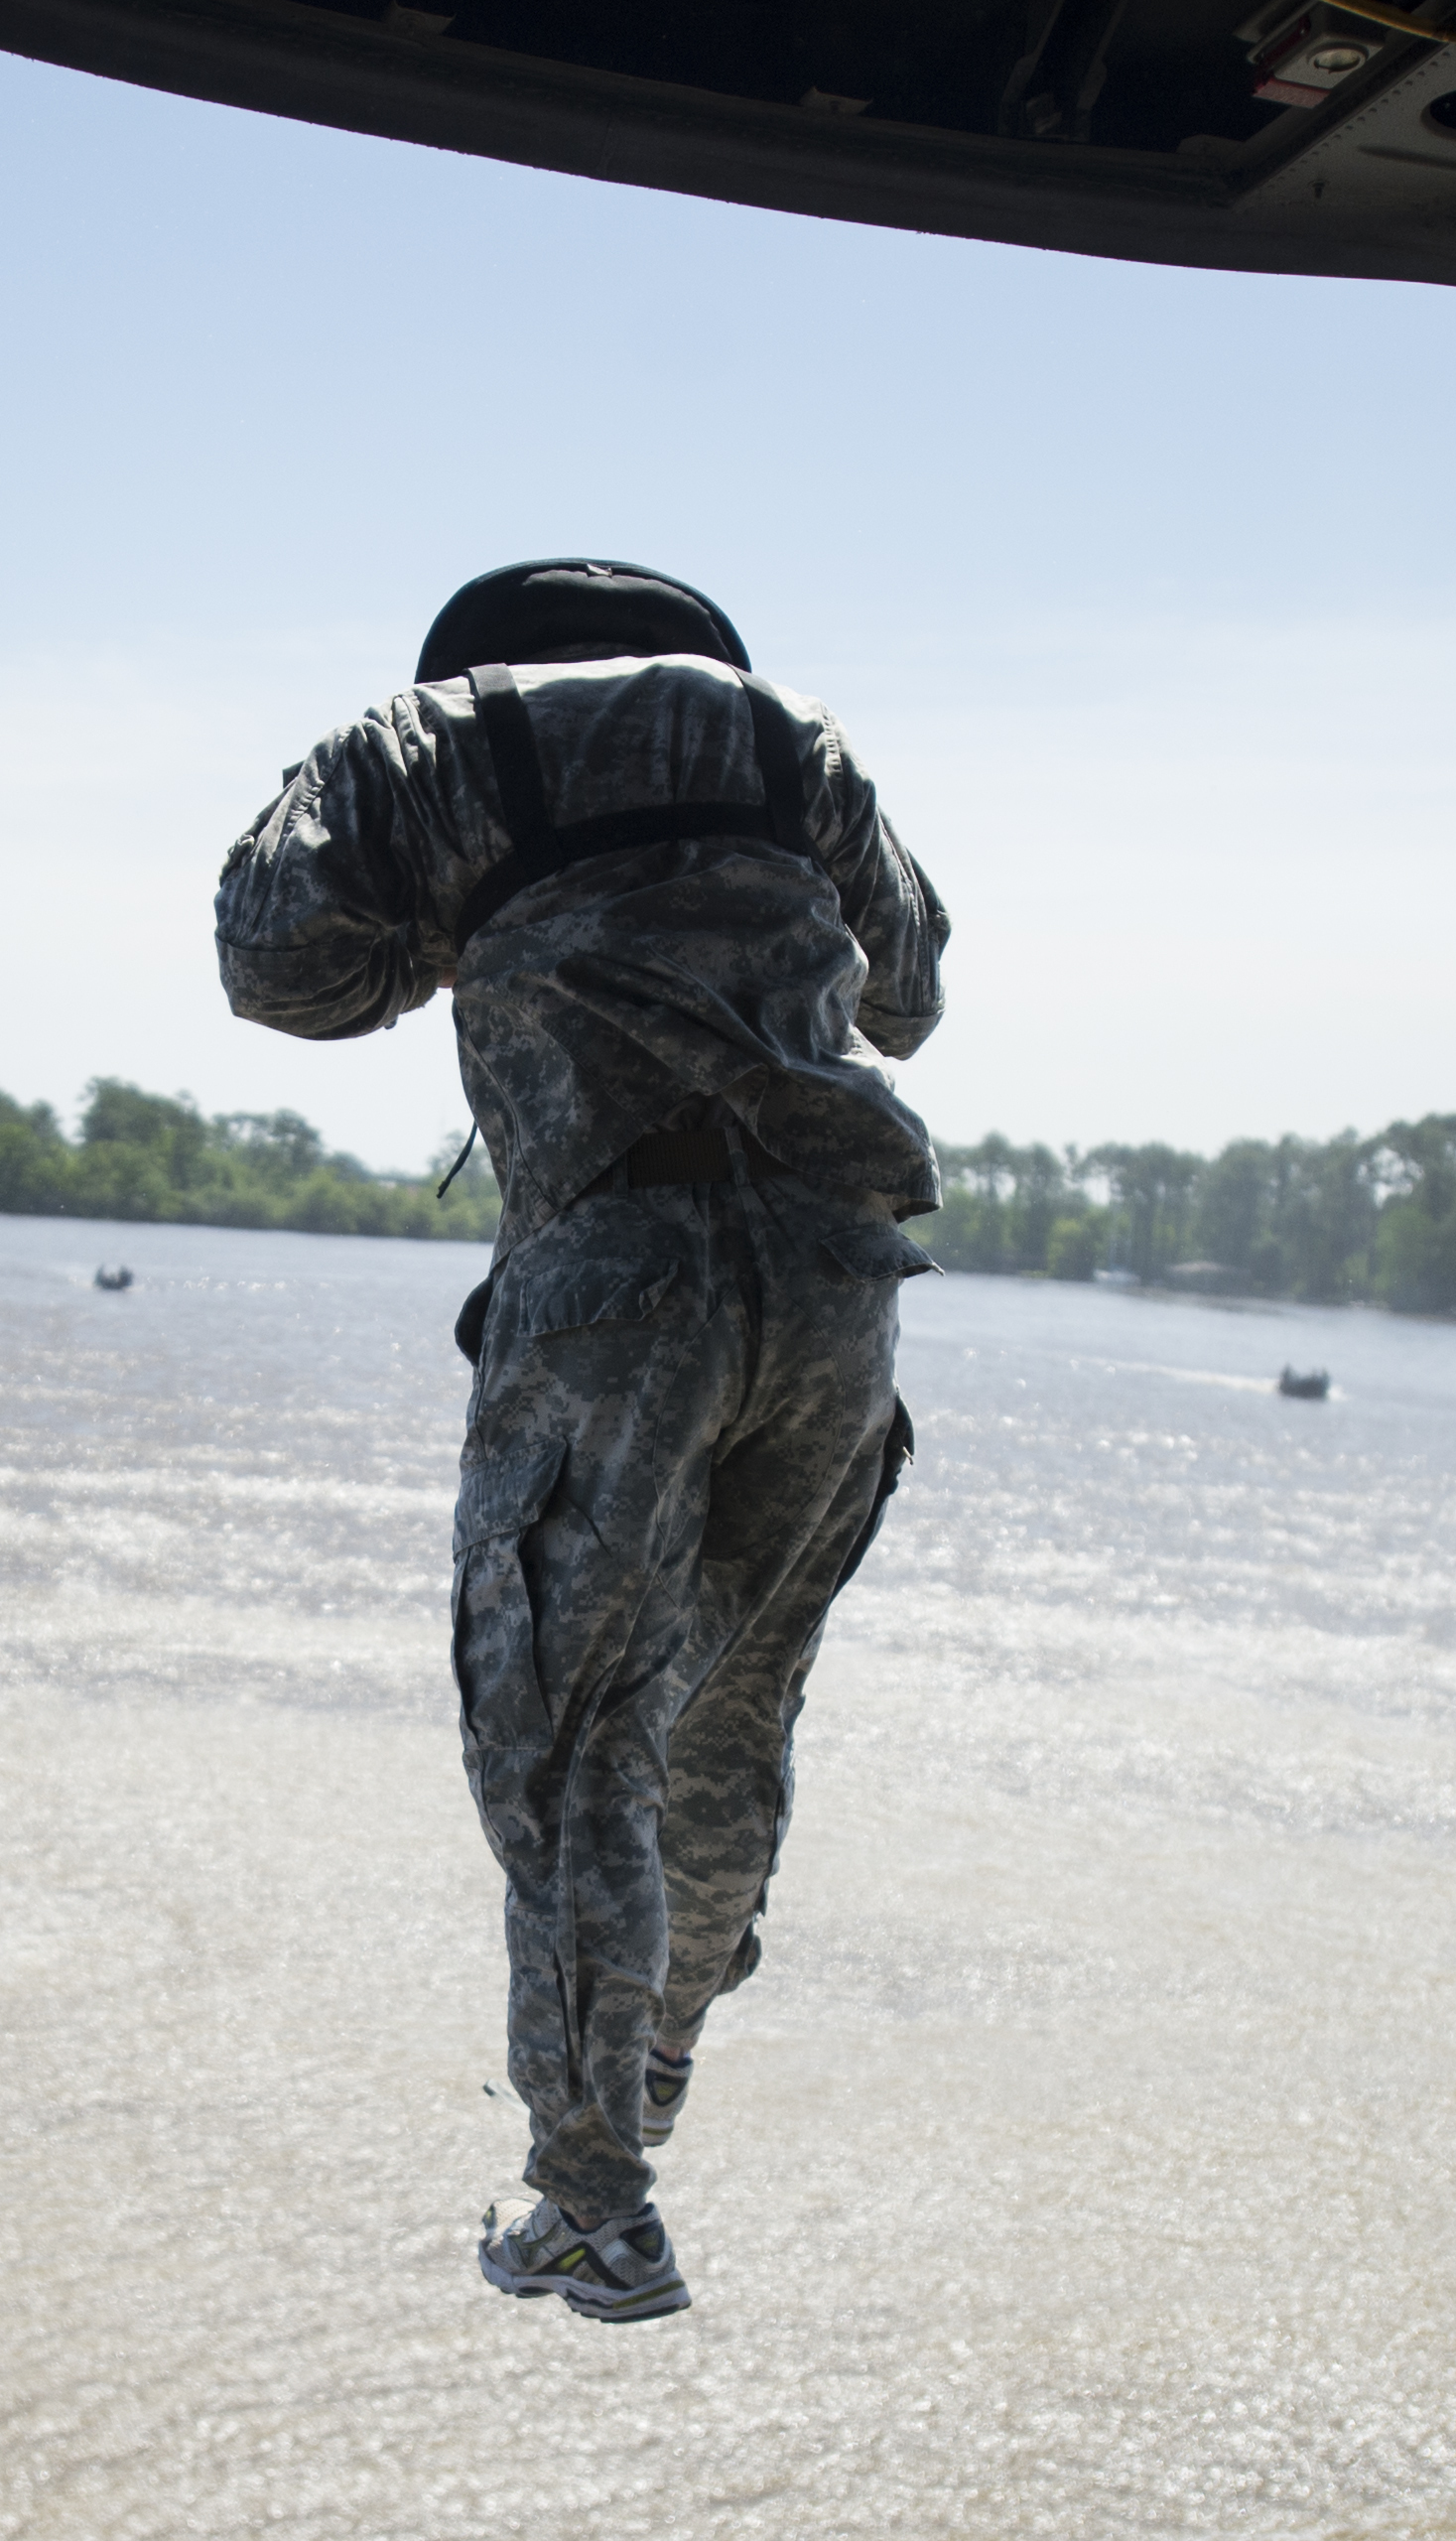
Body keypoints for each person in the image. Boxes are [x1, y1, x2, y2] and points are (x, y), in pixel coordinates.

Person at [214, 561, 950, 2324]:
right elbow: (905, 992)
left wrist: (460, 923)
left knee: (561, 1742)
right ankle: (648, 2094)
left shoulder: (428, 738)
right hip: (840, 1285)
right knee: (724, 1718)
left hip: (614, 1289)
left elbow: (276, 967)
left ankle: (591, 2202)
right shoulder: (798, 748)